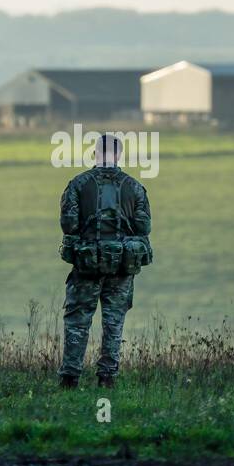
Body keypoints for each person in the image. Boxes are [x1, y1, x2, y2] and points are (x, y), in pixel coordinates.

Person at [57, 132, 153, 388]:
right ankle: (107, 378)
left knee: (78, 320)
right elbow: (144, 227)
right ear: (119, 155)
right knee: (114, 321)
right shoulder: (134, 187)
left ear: (95, 153)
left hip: (87, 265)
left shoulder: (78, 184)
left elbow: (69, 225)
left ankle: (70, 379)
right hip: (122, 266)